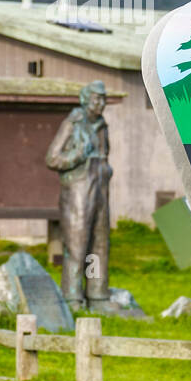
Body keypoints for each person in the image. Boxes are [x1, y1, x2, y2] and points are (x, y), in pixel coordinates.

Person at [45, 81, 112, 310]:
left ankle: (97, 294)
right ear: (85, 100)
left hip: (101, 188)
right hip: (77, 189)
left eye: (103, 99)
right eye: (96, 99)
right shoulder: (72, 124)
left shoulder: (102, 126)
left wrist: (106, 169)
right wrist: (77, 154)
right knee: (77, 242)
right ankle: (72, 296)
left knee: (99, 241)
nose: (100, 104)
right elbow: (52, 158)